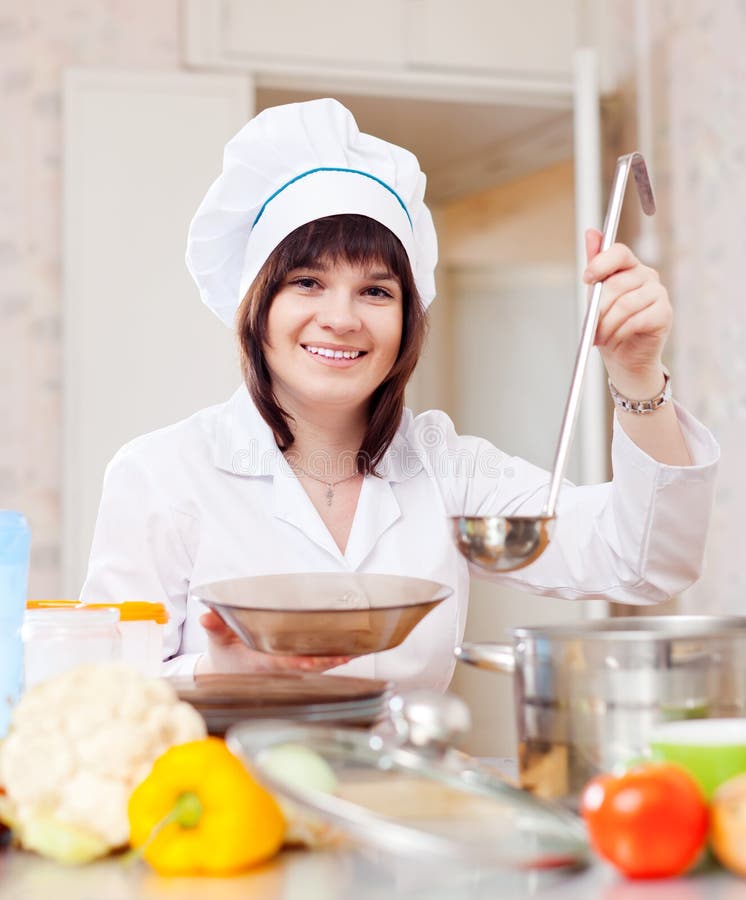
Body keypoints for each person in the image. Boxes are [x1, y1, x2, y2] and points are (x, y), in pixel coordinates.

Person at [80, 99, 719, 689]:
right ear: (257, 305)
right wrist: (219, 670)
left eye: (377, 291)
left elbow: (641, 562)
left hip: (403, 800)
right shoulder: (162, 475)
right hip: (225, 805)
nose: (341, 318)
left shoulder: (449, 469)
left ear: (408, 320)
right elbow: (99, 691)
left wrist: (636, 374)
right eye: (306, 282)